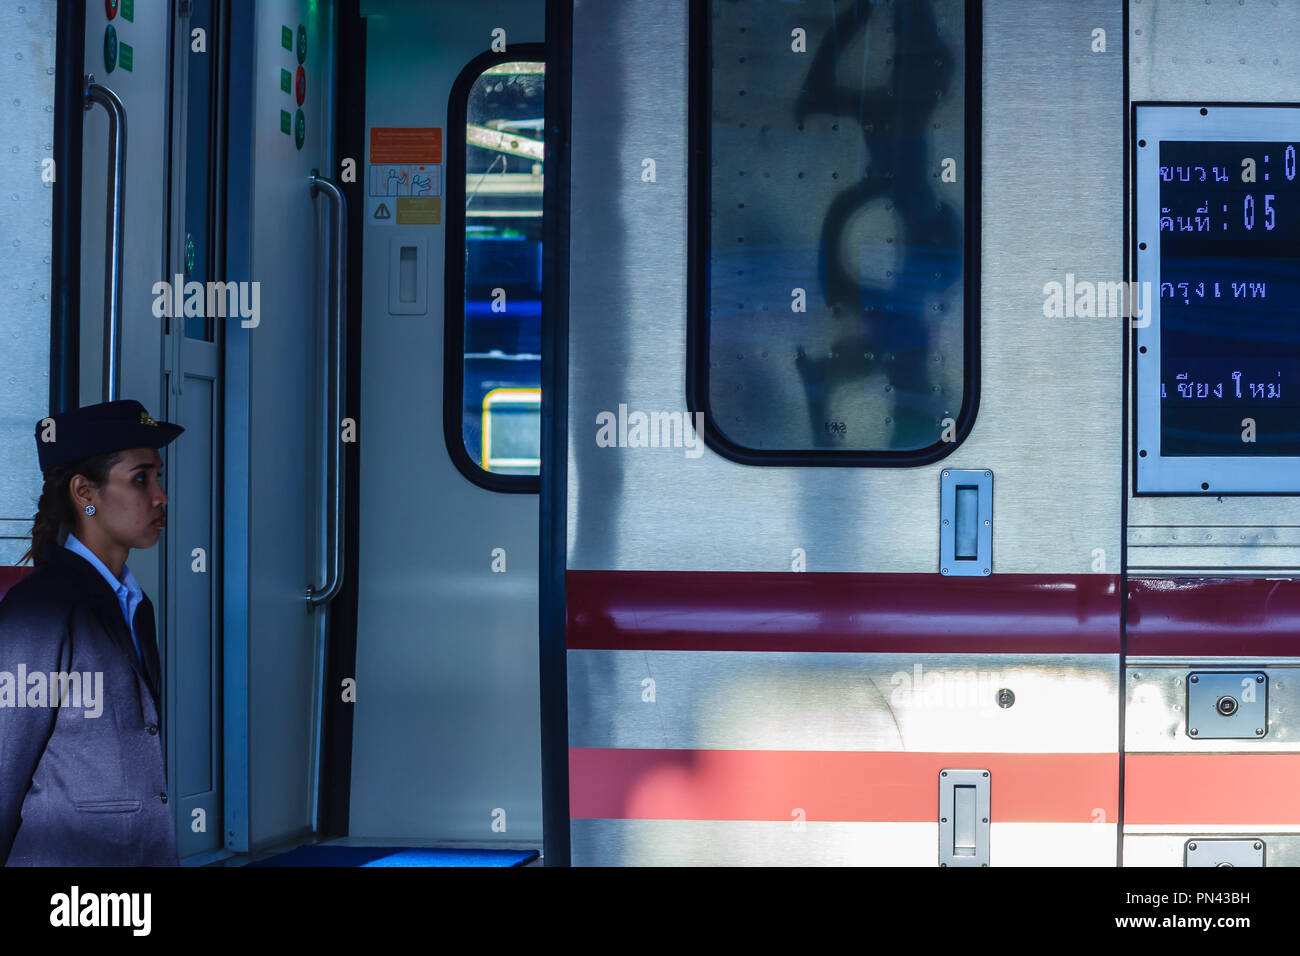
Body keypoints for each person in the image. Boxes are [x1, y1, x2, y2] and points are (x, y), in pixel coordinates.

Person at [0, 399, 183, 866]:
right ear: (86, 493)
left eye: (158, 477)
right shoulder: (41, 608)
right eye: (141, 478)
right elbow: (5, 759)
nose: (160, 496)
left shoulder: (135, 605)